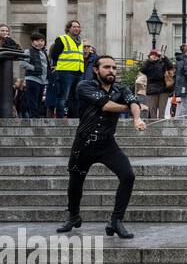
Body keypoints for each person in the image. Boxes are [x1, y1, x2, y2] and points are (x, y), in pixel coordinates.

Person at [58, 55, 146, 238]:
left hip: (107, 144)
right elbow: (106, 106)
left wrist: (136, 117)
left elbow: (134, 102)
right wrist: (129, 107)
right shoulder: (85, 86)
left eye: (114, 68)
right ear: (96, 70)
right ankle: (73, 216)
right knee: (75, 182)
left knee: (128, 175)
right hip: (84, 143)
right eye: (107, 67)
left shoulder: (121, 88)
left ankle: (116, 221)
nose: (111, 71)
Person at [47, 20, 84, 118]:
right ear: (68, 28)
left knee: (75, 97)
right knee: (63, 96)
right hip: (65, 72)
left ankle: (74, 117)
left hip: (78, 71)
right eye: (74, 26)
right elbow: (54, 55)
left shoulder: (80, 41)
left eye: (78, 27)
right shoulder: (62, 39)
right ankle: (61, 118)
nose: (76, 28)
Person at [19, 32, 50, 119]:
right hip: (32, 78)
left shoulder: (44, 53)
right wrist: (34, 68)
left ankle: (36, 115)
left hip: (43, 80)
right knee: (32, 99)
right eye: (37, 41)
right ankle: (33, 116)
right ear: (32, 42)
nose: (40, 42)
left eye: (42, 41)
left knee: (39, 99)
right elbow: (22, 64)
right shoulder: (28, 51)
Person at [138, 49, 172, 120]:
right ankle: (153, 129)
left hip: (163, 89)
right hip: (152, 89)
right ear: (149, 56)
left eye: (156, 55)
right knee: (152, 111)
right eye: (152, 54)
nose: (154, 56)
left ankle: (161, 128)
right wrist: (148, 61)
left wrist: (164, 57)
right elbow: (142, 70)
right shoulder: (147, 64)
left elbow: (170, 66)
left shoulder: (162, 63)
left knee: (162, 111)